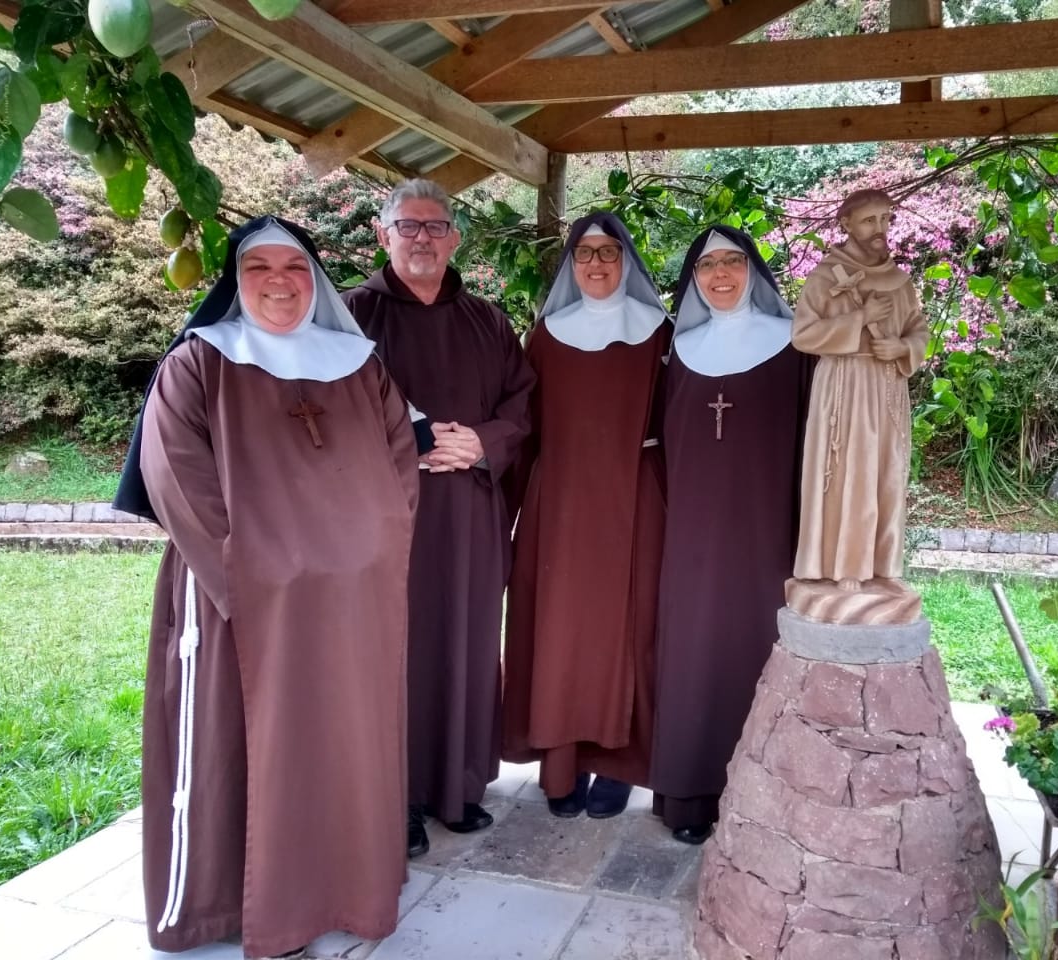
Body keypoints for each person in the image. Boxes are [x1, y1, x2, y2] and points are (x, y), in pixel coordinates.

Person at [112, 216, 420, 959]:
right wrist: (259, 572)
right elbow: (175, 478)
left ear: (314, 281)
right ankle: (235, 910)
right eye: (260, 268)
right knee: (248, 745)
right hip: (243, 602)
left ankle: (350, 888)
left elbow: (399, 470)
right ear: (234, 280)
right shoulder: (198, 364)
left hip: (351, 601)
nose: (280, 281)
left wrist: (370, 559)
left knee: (346, 742)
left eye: (295, 267)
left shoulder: (358, 365)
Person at [342, 179, 535, 856]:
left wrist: (484, 441)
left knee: (466, 642)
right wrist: (408, 447)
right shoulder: (347, 317)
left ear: (455, 238)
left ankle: (457, 788)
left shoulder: (488, 321)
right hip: (386, 521)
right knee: (391, 651)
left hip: (470, 515)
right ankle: (391, 798)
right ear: (381, 233)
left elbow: (523, 405)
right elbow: (322, 414)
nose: (422, 239)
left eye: (435, 227)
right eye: (408, 226)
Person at [502, 212, 669, 820]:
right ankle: (563, 763)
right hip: (563, 507)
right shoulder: (548, 334)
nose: (596, 265)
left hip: (633, 500)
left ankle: (619, 764)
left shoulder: (659, 332)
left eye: (608, 253)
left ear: (627, 262)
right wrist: (509, 513)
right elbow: (525, 429)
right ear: (572, 266)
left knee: (630, 633)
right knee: (562, 635)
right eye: (585, 255)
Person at [651, 226, 812, 844]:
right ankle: (689, 795)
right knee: (691, 653)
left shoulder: (795, 345)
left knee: (755, 647)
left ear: (755, 270)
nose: (720, 275)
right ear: (692, 277)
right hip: (690, 537)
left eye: (733, 262)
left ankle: (761, 796)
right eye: (707, 265)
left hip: (767, 534)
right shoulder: (678, 350)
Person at [787, 188, 930, 621]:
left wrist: (903, 348)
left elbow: (920, 333)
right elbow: (803, 336)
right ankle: (842, 567)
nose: (879, 229)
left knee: (885, 471)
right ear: (846, 223)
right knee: (847, 473)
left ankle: (881, 566)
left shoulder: (901, 283)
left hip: (886, 388)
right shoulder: (826, 277)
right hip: (843, 389)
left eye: (886, 219)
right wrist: (858, 322)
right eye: (869, 220)